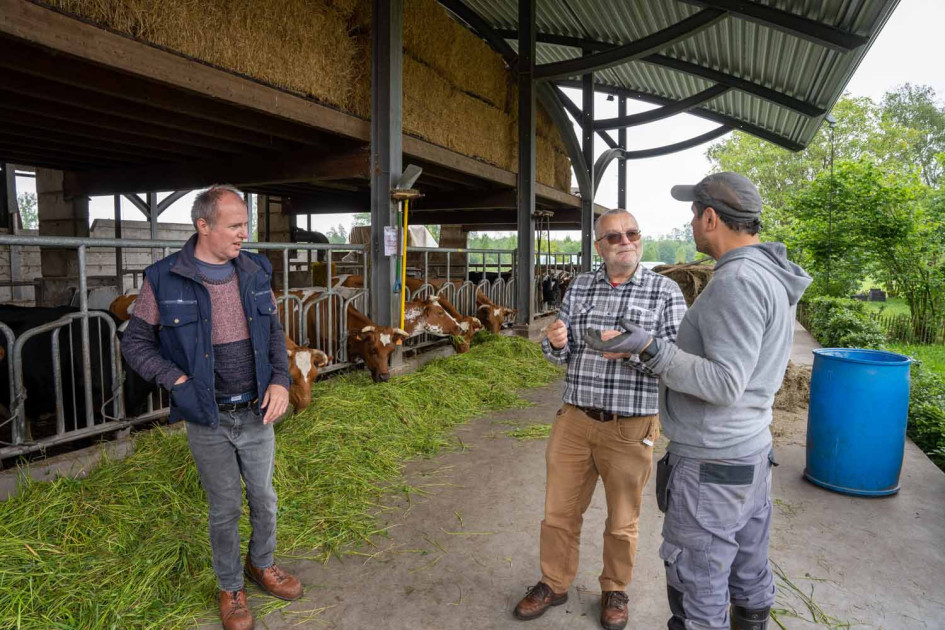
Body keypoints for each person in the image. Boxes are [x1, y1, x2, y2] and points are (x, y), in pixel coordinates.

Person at [584, 173, 812, 630]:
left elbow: (726, 382)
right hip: (749, 451)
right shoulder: (770, 273)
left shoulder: (738, 282)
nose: (690, 224)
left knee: (698, 585)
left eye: (693, 214)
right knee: (748, 571)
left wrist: (649, 348)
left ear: (710, 218)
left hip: (712, 463)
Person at [121, 185, 300, 630]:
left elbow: (275, 334)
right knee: (224, 508)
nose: (244, 233)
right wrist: (176, 380)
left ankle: (262, 564)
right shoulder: (163, 278)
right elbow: (135, 343)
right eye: (235, 225)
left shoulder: (257, 270)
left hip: (257, 409)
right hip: (208, 414)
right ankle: (230, 587)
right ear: (203, 226)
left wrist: (281, 381)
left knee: (265, 498)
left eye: (246, 224)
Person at [514, 209, 687, 630]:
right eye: (613, 237)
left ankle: (615, 587)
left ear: (640, 239)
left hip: (632, 426)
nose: (624, 241)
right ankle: (554, 582)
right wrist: (553, 342)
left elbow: (677, 364)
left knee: (622, 518)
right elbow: (561, 351)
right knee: (558, 511)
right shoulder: (580, 288)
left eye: (631, 233)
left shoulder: (666, 292)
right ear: (599, 247)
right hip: (575, 418)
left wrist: (633, 350)